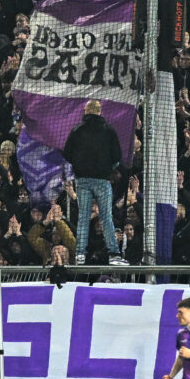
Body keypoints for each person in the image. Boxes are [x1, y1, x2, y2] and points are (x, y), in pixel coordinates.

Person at [62, 100, 124, 265]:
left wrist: (79, 164)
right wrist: (106, 168)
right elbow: (117, 156)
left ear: (86, 111)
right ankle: (114, 254)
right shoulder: (109, 131)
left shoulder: (77, 130)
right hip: (102, 180)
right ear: (99, 112)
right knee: (106, 217)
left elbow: (67, 153)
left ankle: (80, 255)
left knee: (83, 217)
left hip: (82, 180)